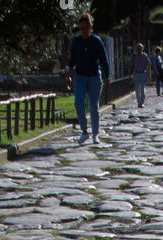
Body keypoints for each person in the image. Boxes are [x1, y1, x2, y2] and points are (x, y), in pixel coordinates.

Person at [69, 12, 110, 145]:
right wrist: (69, 74)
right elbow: (72, 59)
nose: (84, 31)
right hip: (80, 76)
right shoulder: (76, 41)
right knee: (78, 103)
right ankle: (84, 131)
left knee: (94, 106)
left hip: (94, 76)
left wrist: (107, 76)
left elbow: (104, 60)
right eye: (81, 28)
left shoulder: (96, 41)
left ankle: (95, 134)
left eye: (86, 28)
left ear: (90, 27)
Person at [132, 43, 150, 107]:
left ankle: (142, 102)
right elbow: (132, 65)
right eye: (138, 48)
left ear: (142, 49)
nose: (139, 50)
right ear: (136, 49)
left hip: (143, 73)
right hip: (136, 73)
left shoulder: (145, 56)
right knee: (137, 89)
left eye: (141, 48)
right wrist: (131, 74)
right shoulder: (134, 56)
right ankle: (139, 102)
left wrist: (148, 75)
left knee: (142, 88)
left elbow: (148, 65)